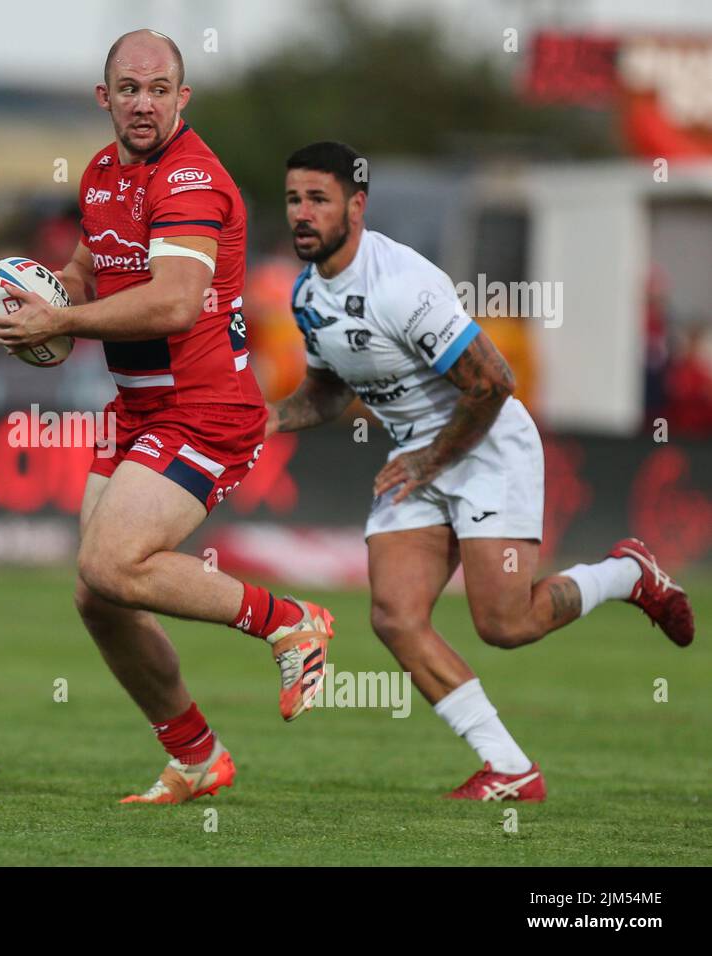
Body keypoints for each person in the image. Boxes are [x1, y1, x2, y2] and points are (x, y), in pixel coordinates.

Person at [270, 141, 695, 801]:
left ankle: (627, 573)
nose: (302, 213)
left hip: (486, 445)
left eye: (317, 199)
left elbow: (494, 382)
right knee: (394, 616)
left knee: (506, 625)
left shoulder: (402, 286)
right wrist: (264, 421)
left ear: (356, 205)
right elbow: (325, 391)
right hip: (418, 456)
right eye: (294, 198)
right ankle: (510, 768)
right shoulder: (307, 297)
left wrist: (429, 459)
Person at [0, 30, 334, 806]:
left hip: (204, 408)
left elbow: (177, 300)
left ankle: (290, 620)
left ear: (183, 99)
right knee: (98, 595)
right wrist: (39, 297)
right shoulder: (104, 173)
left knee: (112, 565)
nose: (143, 102)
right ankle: (195, 755)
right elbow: (87, 268)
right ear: (104, 98)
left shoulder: (190, 179)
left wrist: (61, 324)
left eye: (159, 88)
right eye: (129, 88)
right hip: (140, 407)